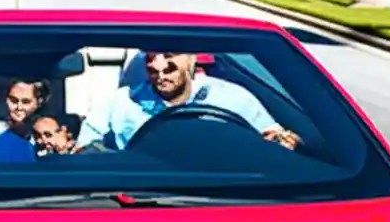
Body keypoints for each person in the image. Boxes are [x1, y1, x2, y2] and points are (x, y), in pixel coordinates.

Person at [75, 51, 300, 151]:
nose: (159, 66)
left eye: (169, 56)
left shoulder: (232, 98)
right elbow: (83, 152)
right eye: (151, 57)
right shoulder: (120, 103)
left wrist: (280, 141)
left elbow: (277, 139)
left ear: (191, 60)